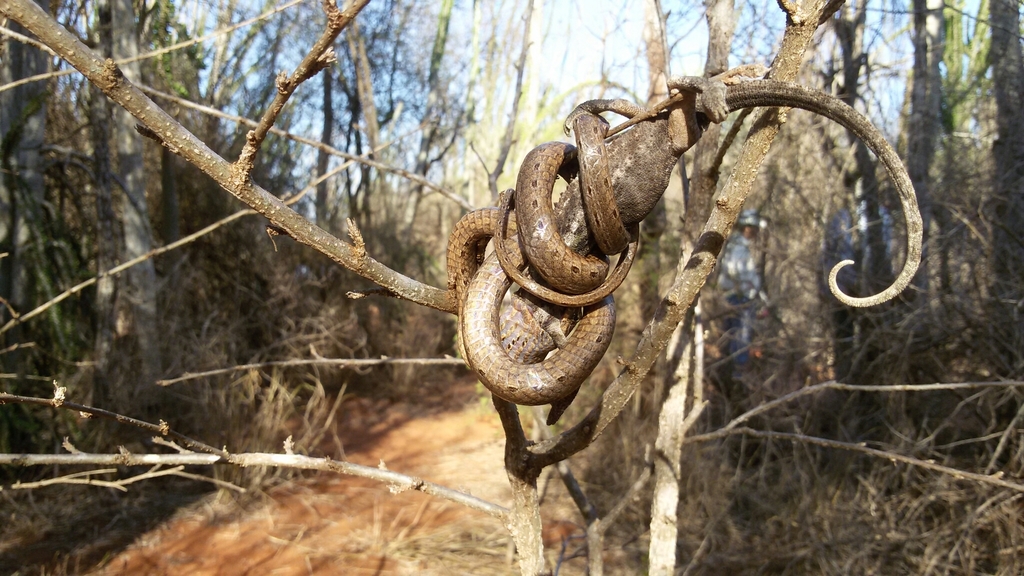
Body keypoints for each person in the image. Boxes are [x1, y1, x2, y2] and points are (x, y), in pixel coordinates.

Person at [718, 209, 763, 374]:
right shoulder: (738, 246)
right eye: (753, 228)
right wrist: (746, 286)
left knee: (733, 334)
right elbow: (734, 270)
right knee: (740, 336)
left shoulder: (738, 244)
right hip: (739, 298)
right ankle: (737, 374)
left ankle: (728, 372)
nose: (755, 232)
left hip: (739, 297)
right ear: (747, 227)